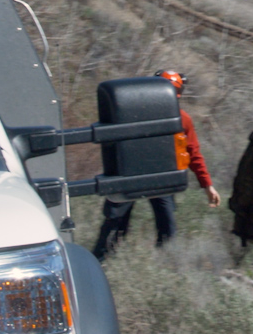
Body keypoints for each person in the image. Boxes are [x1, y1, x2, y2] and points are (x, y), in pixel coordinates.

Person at [92, 70, 219, 256]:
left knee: (167, 230)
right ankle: (99, 263)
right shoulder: (132, 113)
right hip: (133, 176)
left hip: (159, 178)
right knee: (115, 225)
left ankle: (164, 266)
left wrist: (207, 184)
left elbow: (193, 153)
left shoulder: (182, 119)